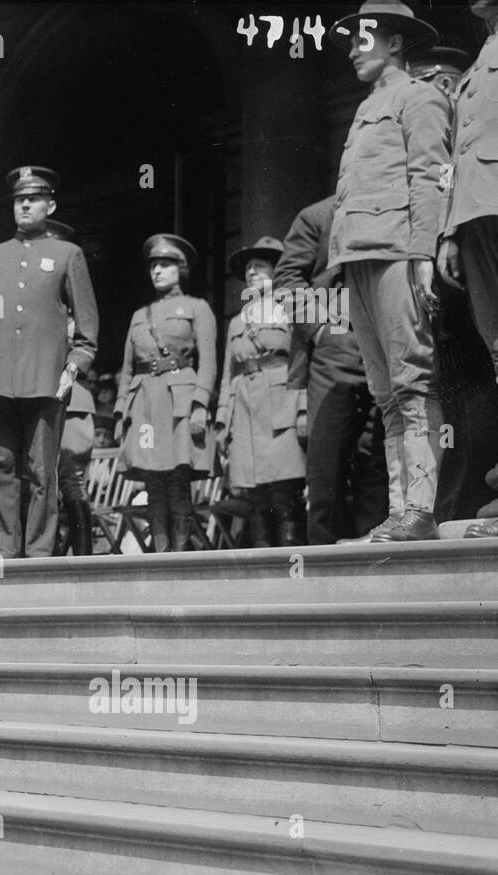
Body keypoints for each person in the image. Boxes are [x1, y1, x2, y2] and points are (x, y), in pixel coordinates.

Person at [328, 1, 450, 543]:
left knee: (412, 380)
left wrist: (423, 254)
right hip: (357, 256)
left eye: (364, 38)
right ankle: (402, 512)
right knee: (385, 392)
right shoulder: (367, 107)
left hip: (398, 252)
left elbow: (431, 177)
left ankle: (419, 508)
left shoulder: (419, 96)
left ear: (396, 43)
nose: (354, 47)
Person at [0, 166, 100, 559]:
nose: (25, 204)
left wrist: (74, 367)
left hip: (46, 379)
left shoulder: (66, 255)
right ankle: (4, 549)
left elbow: (87, 324)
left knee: (42, 472)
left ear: (49, 204)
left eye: (34, 198)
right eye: (20, 199)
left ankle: (39, 552)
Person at [277, 197, 389, 544]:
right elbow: (287, 278)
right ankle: (326, 569)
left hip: (382, 341)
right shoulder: (315, 215)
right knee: (327, 468)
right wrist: (322, 329)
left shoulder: (387, 204)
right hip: (338, 341)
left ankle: (374, 572)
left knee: (376, 463)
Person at [114, 234, 218, 552]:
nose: (157, 270)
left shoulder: (198, 308)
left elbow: (208, 362)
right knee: (153, 482)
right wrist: (121, 413)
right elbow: (128, 368)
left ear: (181, 268)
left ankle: (181, 554)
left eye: (165, 264)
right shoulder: (138, 316)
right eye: (153, 265)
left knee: (177, 480)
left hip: (179, 402)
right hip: (144, 403)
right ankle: (159, 555)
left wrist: (200, 405)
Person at [436, 11, 498, 536]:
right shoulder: (479, 63)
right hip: (475, 215)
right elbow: (458, 155)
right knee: (497, 346)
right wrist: (450, 233)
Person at [215, 236, 307, 547]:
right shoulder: (237, 322)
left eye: (260, 266)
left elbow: (302, 361)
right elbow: (229, 376)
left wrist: (304, 409)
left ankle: (292, 568)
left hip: (281, 404)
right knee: (255, 498)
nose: (252, 272)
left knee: (284, 494)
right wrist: (222, 423)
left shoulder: (290, 308)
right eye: (249, 268)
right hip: (246, 410)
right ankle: (264, 571)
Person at [45, 219, 96, 556]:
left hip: (72, 399)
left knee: (70, 477)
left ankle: (83, 555)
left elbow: (83, 342)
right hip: (37, 395)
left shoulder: (72, 300)